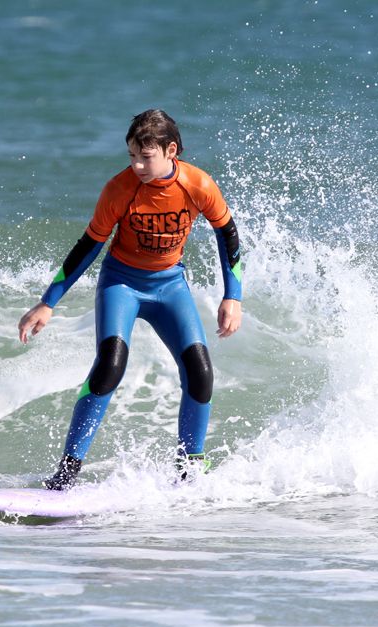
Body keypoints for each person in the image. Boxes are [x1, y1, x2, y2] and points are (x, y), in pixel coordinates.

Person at [17, 109, 243, 490]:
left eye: (145, 156)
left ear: (171, 151)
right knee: (110, 366)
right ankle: (66, 474)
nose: (137, 165)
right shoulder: (120, 189)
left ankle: (189, 470)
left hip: (170, 286)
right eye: (132, 156)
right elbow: (89, 246)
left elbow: (228, 233)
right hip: (121, 283)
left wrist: (232, 296)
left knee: (201, 373)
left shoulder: (198, 184)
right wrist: (47, 302)